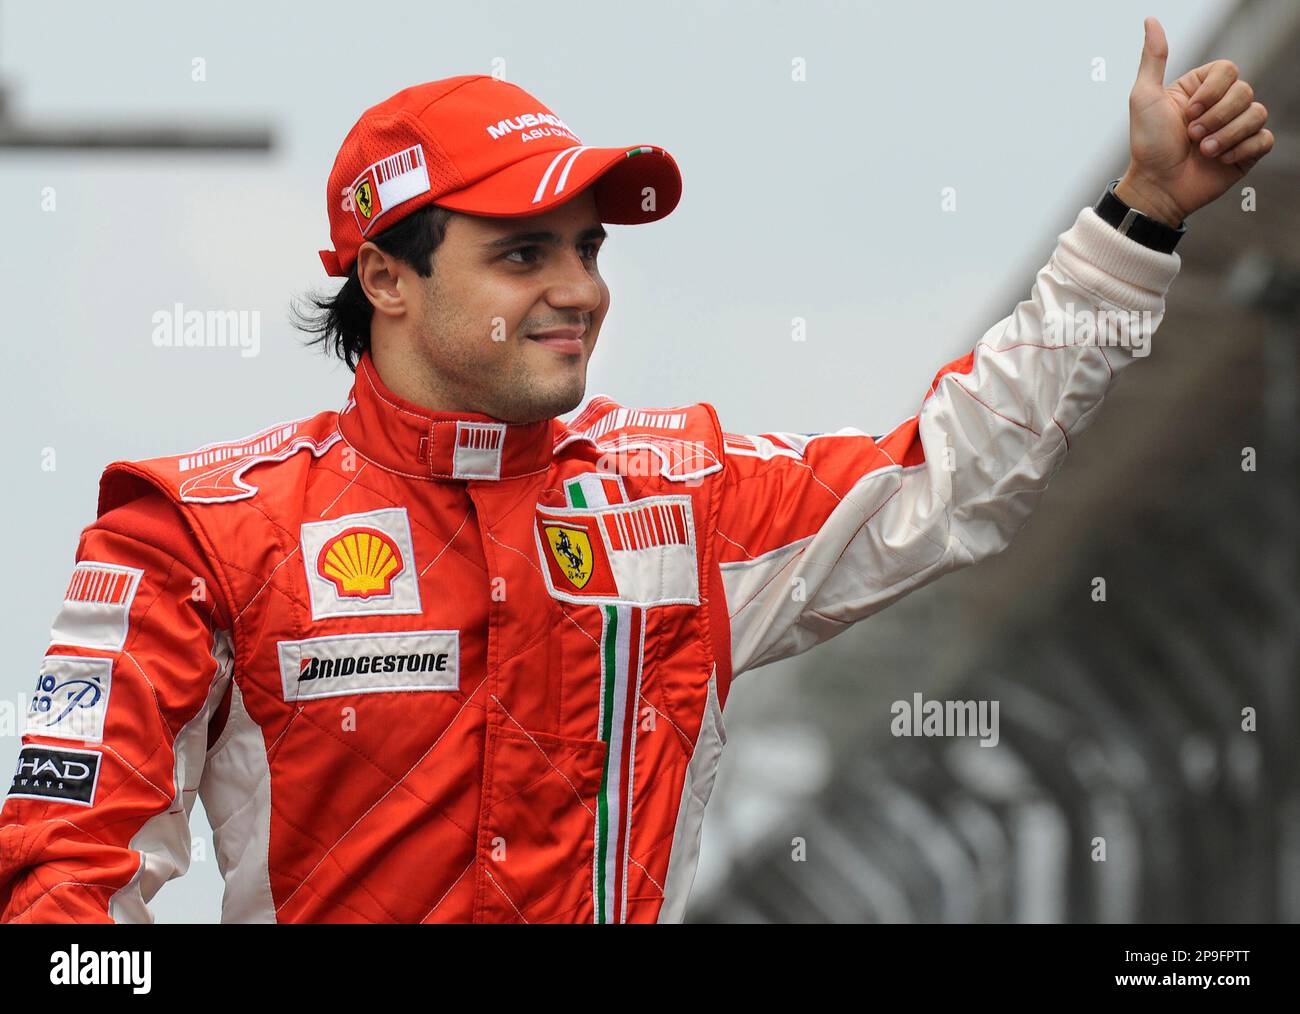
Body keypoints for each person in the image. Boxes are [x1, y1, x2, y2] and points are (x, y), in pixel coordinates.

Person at [0, 18, 1273, 923]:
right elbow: (65, 874)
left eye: (588, 249)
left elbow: (955, 469)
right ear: (384, 275)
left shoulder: (678, 495)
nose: (580, 292)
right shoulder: (196, 532)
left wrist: (1141, 216)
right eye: (521, 257)